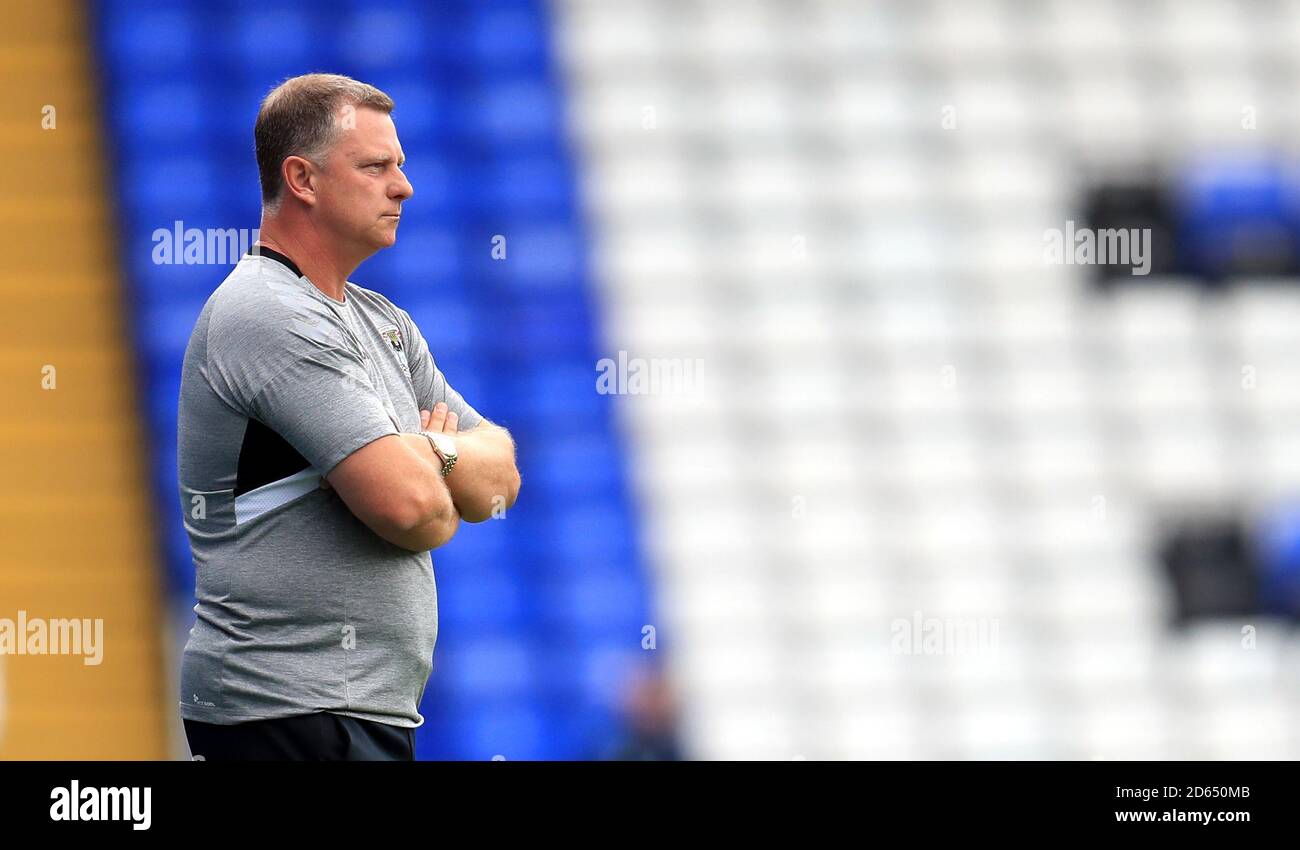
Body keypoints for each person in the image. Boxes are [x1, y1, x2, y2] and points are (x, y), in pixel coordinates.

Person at [176, 73, 520, 760]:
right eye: (376, 166)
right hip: (285, 708)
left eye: (401, 165)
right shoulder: (267, 312)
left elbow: (499, 476)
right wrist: (432, 467)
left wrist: (431, 453)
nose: (404, 186)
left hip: (351, 710)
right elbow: (416, 511)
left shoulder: (382, 320)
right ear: (301, 178)